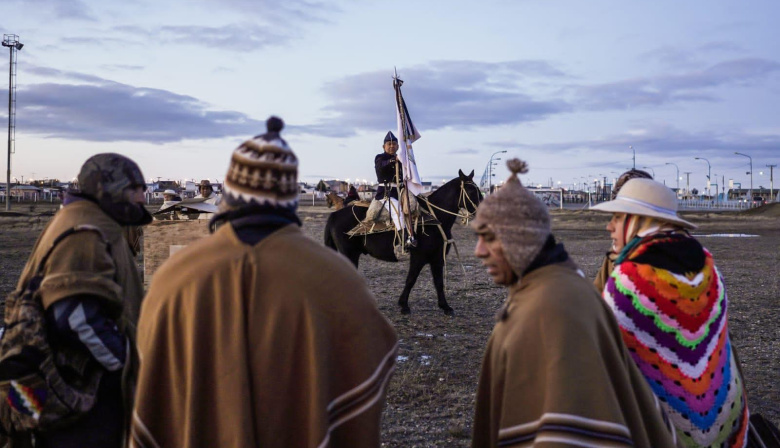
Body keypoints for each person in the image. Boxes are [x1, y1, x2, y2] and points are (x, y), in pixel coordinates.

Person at [132, 117, 399, 448]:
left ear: (228, 196)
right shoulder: (339, 278)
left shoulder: (174, 277)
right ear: (289, 197)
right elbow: (375, 352)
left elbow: (151, 381)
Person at [470, 159, 680, 448]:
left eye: (489, 238)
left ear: (521, 240)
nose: (478, 251)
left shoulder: (548, 309)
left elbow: (572, 425)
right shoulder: (558, 287)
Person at [591, 178, 750, 447]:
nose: (609, 227)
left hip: (657, 431)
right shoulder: (707, 266)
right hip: (723, 418)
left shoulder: (630, 278)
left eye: (617, 218)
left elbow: (602, 361)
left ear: (638, 221)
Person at [10, 153, 151, 447]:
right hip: (81, 394)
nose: (142, 196)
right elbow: (75, 317)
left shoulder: (87, 220)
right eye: (135, 188)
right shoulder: (84, 231)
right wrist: (127, 363)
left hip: (80, 388)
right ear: (109, 190)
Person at [593, 168, 653, 292]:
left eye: (619, 217)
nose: (609, 227)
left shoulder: (673, 268)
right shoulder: (616, 254)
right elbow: (597, 297)